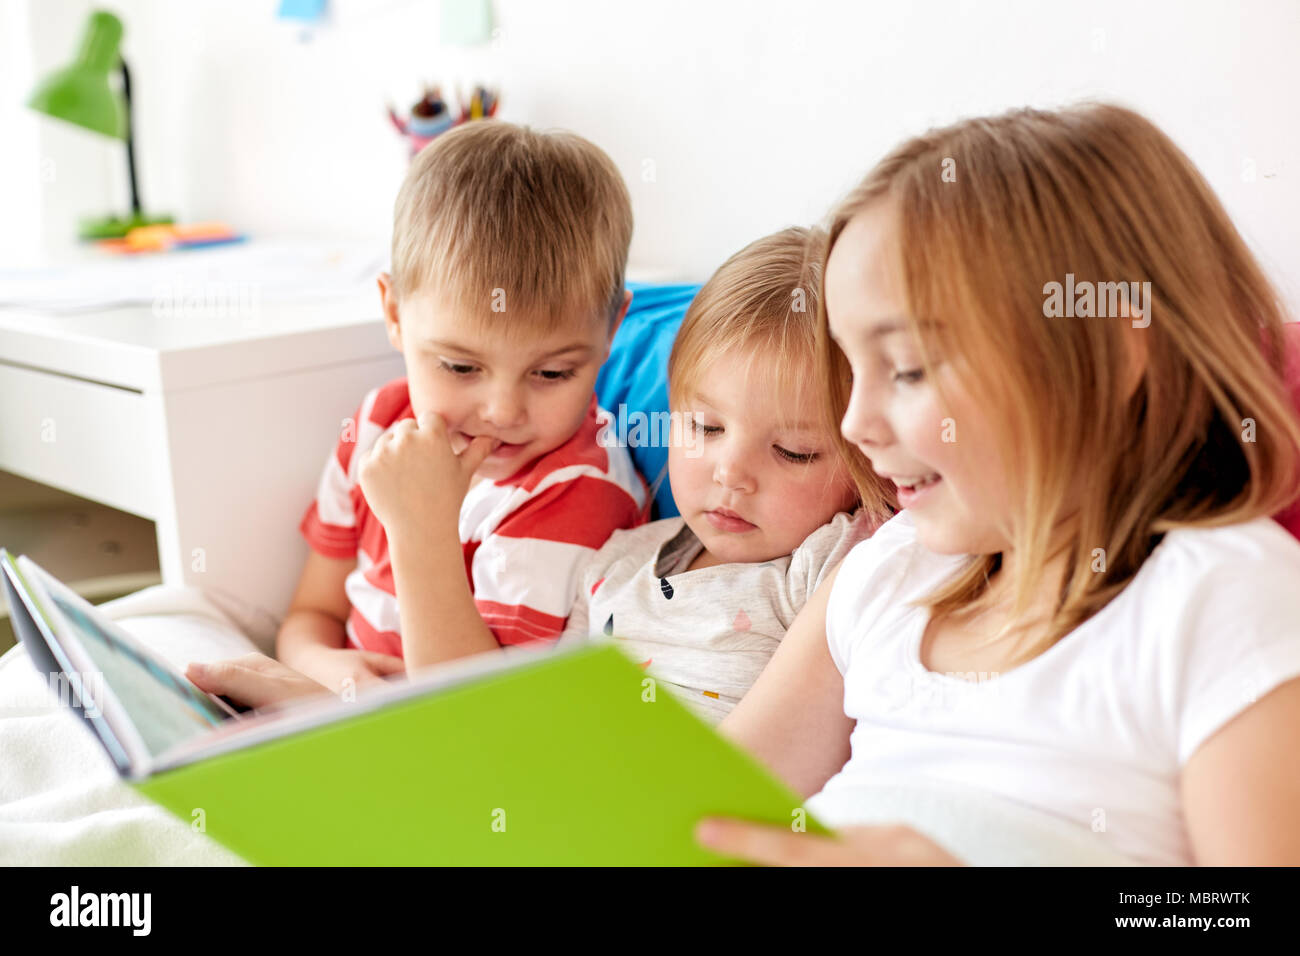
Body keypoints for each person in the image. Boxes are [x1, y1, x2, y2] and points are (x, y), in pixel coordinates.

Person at [697, 103, 1300, 866]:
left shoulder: (1220, 599)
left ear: (1106, 360)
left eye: (908, 369)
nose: (854, 422)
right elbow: (702, 822)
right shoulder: (885, 577)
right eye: (852, 370)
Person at [282, 120, 650, 693]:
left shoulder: (579, 493)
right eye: (460, 367)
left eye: (552, 373)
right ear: (396, 315)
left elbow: (484, 713)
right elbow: (310, 615)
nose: (503, 411)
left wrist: (421, 529)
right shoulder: (379, 422)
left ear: (612, 330)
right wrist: (322, 668)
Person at [557, 227, 891, 723]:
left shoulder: (832, 565)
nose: (731, 474)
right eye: (705, 426)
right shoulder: (614, 563)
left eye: (793, 452)